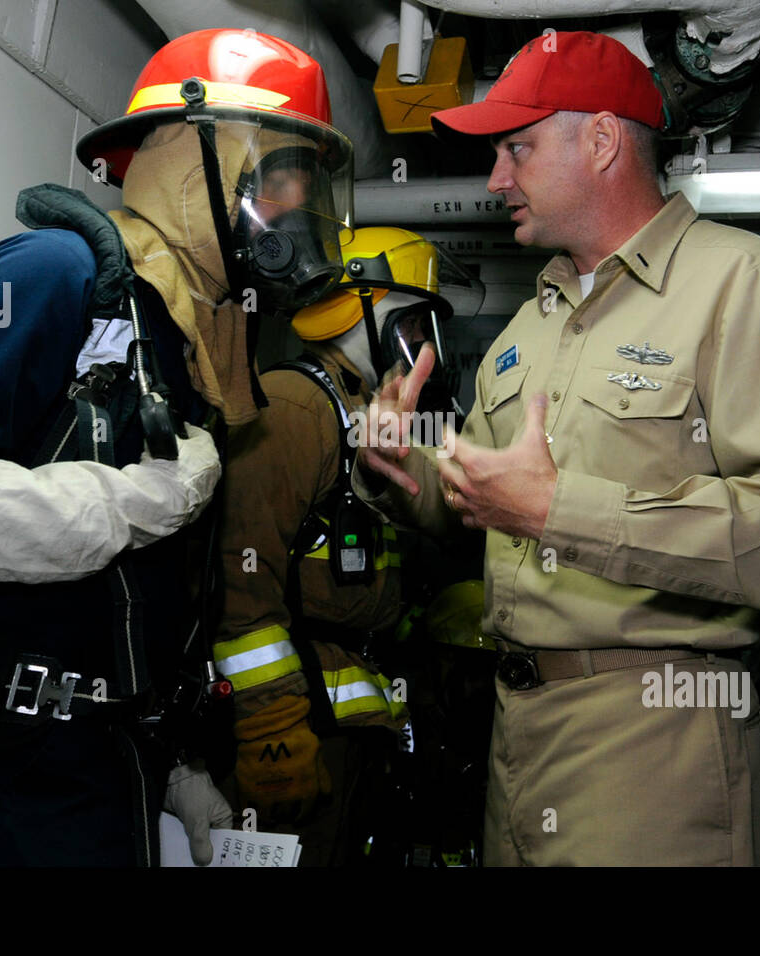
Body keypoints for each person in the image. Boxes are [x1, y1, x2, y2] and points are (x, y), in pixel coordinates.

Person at [351, 30, 760, 865]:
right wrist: (395, 460)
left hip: (655, 743)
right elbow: (475, 502)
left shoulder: (751, 283)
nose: (495, 180)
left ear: (601, 141)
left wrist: (564, 510)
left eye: (515, 148)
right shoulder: (535, 320)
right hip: (517, 735)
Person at [0, 28, 355, 867]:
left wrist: (176, 764)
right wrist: (127, 506)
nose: (294, 216)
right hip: (10, 780)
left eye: (306, 191)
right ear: (202, 165)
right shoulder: (54, 273)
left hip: (116, 770)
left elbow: (149, 600)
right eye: (280, 184)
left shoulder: (198, 341)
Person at [214, 226, 482, 864]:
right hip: (296, 726)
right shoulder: (293, 409)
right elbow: (238, 579)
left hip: (351, 728)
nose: (423, 348)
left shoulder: (365, 412)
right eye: (415, 325)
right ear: (372, 313)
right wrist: (271, 727)